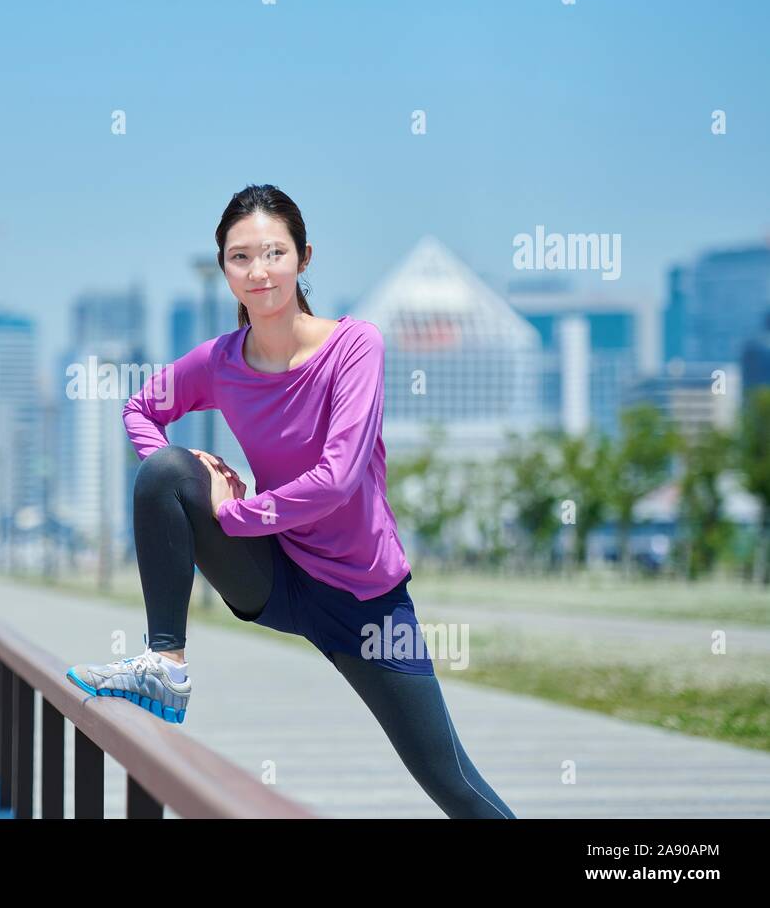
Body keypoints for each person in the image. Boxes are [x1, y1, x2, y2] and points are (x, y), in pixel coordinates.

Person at [65, 184, 516, 818]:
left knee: (449, 778)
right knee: (165, 471)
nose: (258, 271)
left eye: (274, 253)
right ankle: (165, 662)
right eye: (239, 257)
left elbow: (336, 480)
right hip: (275, 573)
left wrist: (233, 513)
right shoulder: (220, 362)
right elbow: (140, 408)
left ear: (304, 259)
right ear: (223, 269)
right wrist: (197, 464)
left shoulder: (354, 347)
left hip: (366, 600)